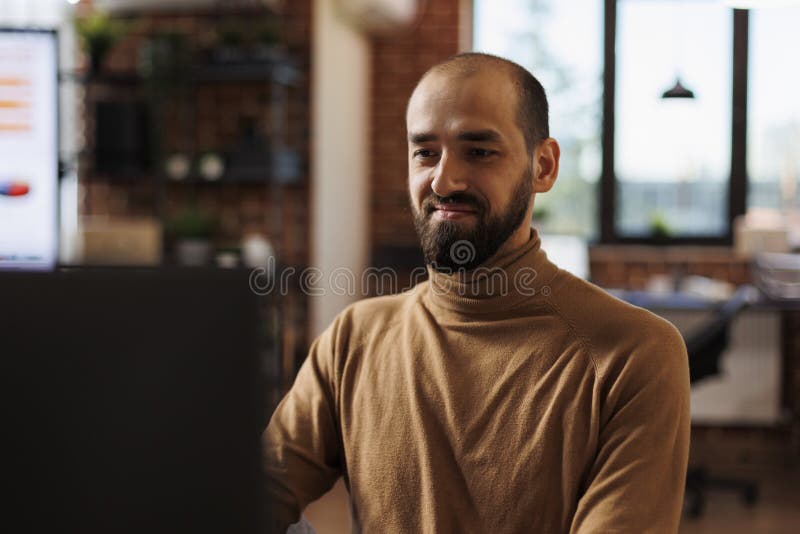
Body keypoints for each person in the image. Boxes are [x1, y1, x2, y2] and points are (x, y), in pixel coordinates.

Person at [263, 52, 690, 533]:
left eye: (479, 151)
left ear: (543, 166)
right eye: (425, 152)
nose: (444, 180)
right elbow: (254, 497)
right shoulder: (354, 338)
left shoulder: (635, 354)